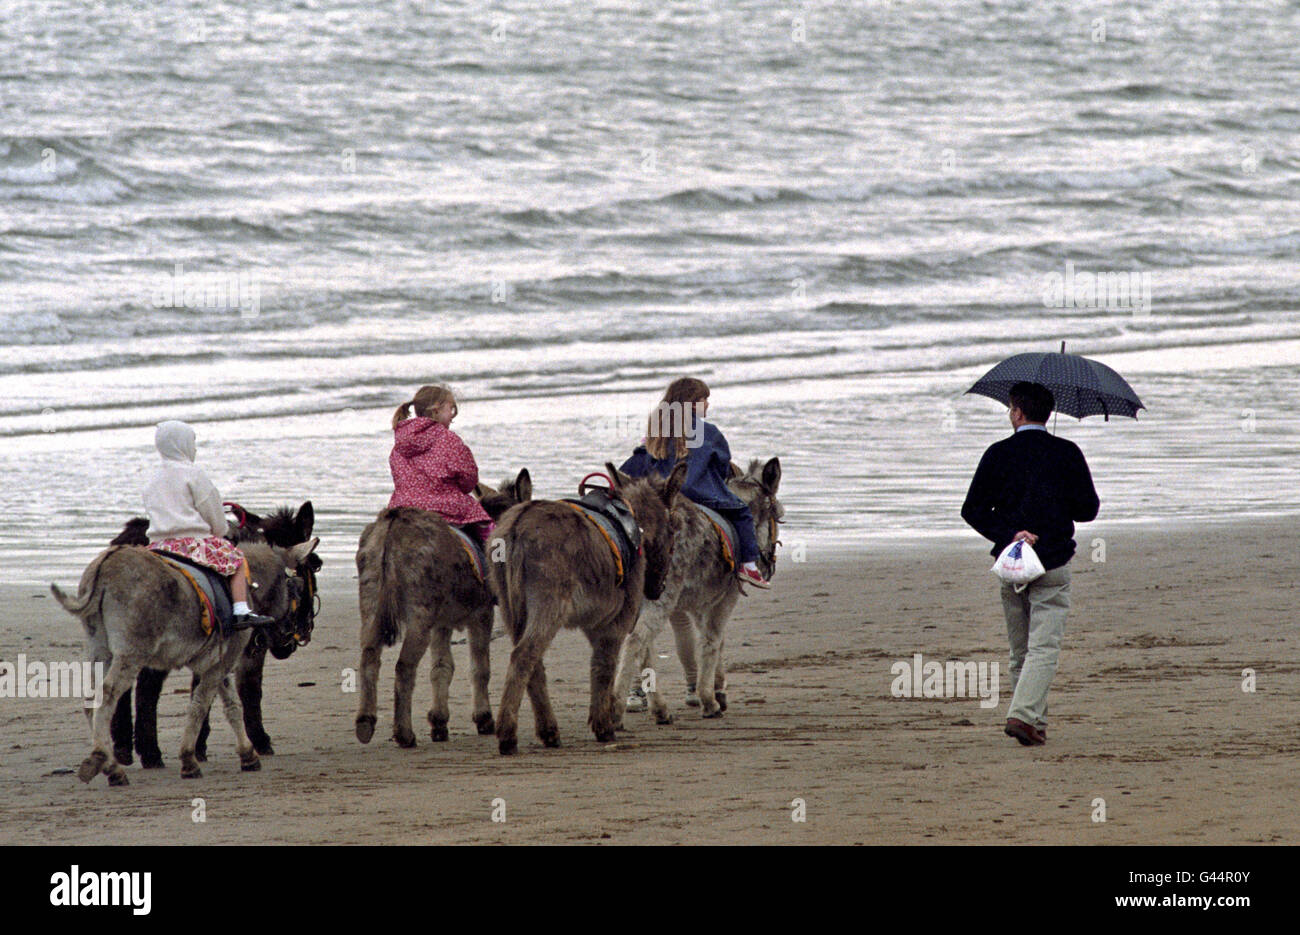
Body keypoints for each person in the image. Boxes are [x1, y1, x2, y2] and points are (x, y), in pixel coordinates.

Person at [961, 381, 1099, 746]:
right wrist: (1056, 499)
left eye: (1010, 409)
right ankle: (1024, 717)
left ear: (1019, 413)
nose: (1010, 414)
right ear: (1047, 413)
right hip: (1052, 561)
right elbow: (1088, 510)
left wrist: (1011, 532)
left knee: (1020, 651)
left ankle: (1033, 722)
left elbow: (971, 510)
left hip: (1011, 562)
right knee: (1043, 648)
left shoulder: (997, 453)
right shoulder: (1067, 452)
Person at [620, 377, 769, 590]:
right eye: (704, 399)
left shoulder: (658, 428)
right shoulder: (709, 432)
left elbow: (642, 459)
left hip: (663, 493)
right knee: (742, 512)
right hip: (697, 492)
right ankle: (748, 565)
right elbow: (722, 463)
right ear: (692, 403)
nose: (708, 404)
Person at [144, 421, 274, 629]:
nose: (194, 448)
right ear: (182, 444)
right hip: (191, 545)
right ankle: (241, 611)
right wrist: (220, 531)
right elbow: (213, 515)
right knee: (237, 561)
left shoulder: (152, 478)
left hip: (158, 547)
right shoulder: (194, 474)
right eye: (192, 442)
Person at [388, 383, 493, 543]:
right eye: (450, 409)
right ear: (436, 410)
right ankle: (498, 565)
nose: (452, 416)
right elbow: (468, 481)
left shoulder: (399, 445)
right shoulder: (449, 439)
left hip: (402, 510)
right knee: (496, 538)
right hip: (446, 508)